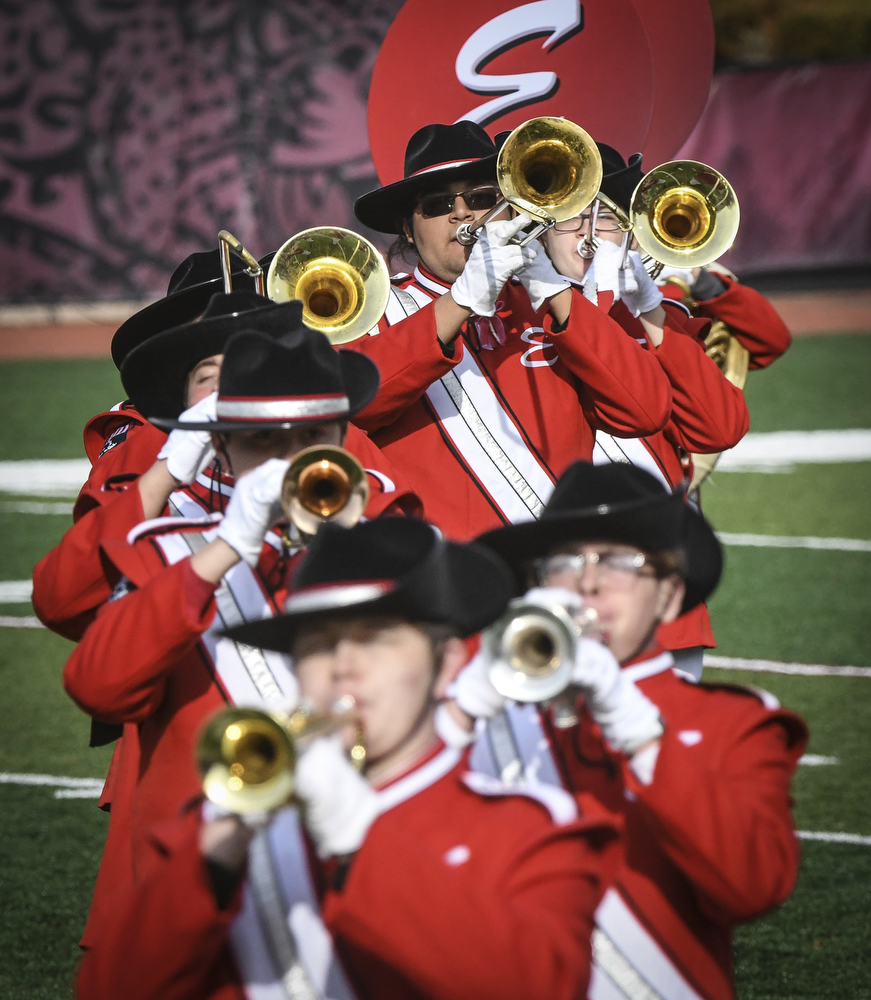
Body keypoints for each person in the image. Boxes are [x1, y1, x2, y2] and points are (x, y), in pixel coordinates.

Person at [75, 517, 619, 1000]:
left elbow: (539, 986)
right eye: (317, 644)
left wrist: (356, 832)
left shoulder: (529, 827)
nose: (343, 665)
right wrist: (212, 860)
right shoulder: (220, 827)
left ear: (449, 663)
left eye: (375, 638)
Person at [62, 321, 418, 948]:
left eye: (310, 437)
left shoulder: (393, 545)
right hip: (201, 882)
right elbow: (99, 685)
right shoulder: (171, 555)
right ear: (221, 451)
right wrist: (222, 550)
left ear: (342, 441)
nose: (287, 458)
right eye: (261, 440)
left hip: (363, 884)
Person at [455, 461, 807, 1000]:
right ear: (537, 583)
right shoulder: (482, 708)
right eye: (564, 562)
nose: (589, 581)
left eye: (620, 562)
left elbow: (753, 887)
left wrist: (637, 728)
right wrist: (460, 715)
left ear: (669, 595)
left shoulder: (731, 723)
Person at [348, 120, 673, 541]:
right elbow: (350, 406)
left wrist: (548, 283)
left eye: (482, 198)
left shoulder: (553, 301)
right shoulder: (378, 313)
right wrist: (460, 301)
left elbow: (646, 409)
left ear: (510, 209)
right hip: (455, 569)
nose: (462, 212)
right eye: (437, 205)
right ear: (409, 229)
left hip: (558, 561)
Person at [540, 144, 750, 678]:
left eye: (607, 218)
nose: (588, 234)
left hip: (658, 593)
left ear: (632, 233)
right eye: (568, 220)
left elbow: (719, 427)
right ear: (539, 230)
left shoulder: (658, 317)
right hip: (562, 584)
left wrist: (653, 309)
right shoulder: (521, 322)